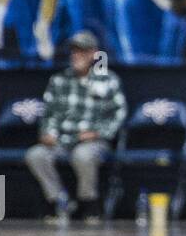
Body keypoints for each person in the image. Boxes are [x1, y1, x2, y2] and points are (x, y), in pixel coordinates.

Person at [25, 30, 126, 225]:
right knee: (36, 154)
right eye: (74, 51)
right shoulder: (59, 80)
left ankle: (89, 204)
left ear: (94, 54)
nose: (76, 55)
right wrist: (48, 133)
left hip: (93, 141)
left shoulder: (108, 80)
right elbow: (49, 114)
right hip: (61, 139)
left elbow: (119, 114)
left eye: (82, 51)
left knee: (83, 155)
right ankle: (58, 200)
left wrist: (99, 133)